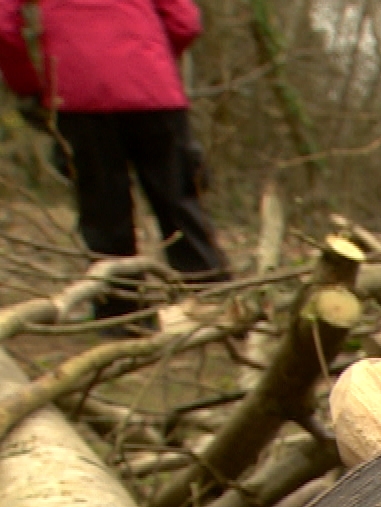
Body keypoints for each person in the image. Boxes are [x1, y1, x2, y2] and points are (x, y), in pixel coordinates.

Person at [0, 0, 229, 320]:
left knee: (103, 210)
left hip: (78, 91)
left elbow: (4, 27)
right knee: (179, 200)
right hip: (153, 88)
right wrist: (152, 55)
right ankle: (216, 302)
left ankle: (122, 314)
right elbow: (185, 21)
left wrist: (27, 84)